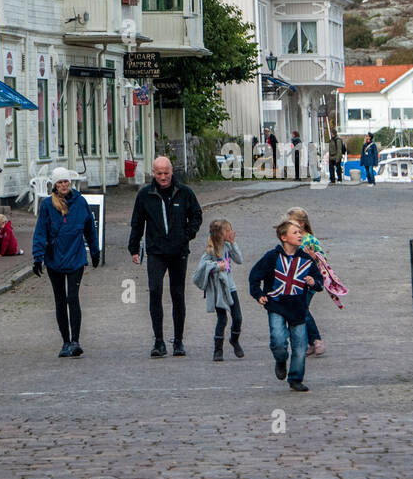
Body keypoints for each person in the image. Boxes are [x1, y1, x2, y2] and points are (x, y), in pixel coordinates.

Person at [128, 155, 203, 357]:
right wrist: (134, 248)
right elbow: (137, 222)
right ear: (154, 173)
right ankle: (159, 341)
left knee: (178, 294)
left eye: (166, 173)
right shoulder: (145, 194)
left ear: (172, 172)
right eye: (159, 173)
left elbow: (197, 215)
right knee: (154, 291)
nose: (163, 177)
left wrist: (186, 235)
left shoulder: (184, 192)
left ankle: (178, 341)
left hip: (178, 251)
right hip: (156, 251)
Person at [248, 218, 323, 392]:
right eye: (295, 232)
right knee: (278, 340)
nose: (299, 235)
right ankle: (281, 360)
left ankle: (296, 378)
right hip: (276, 304)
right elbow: (254, 276)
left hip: (298, 307)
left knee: (300, 346)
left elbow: (319, 281)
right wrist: (258, 294)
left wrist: (313, 282)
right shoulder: (272, 257)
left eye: (300, 232)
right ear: (283, 237)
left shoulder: (306, 259)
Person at [32, 168, 99, 357]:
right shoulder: (47, 205)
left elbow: (89, 229)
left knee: (72, 297)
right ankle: (65, 341)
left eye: (66, 182)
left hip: (75, 257)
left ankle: (76, 341)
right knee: (60, 300)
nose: (63, 185)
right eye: (60, 182)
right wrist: (38, 257)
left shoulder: (80, 202)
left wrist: (95, 252)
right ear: (54, 184)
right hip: (54, 258)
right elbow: (40, 232)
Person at [283, 205, 348, 352]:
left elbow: (323, 258)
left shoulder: (309, 240)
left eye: (291, 222)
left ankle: (316, 341)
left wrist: (314, 257)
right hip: (295, 280)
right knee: (301, 309)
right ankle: (310, 343)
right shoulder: (292, 238)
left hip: (310, 280)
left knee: (302, 309)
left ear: (301, 223)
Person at [192, 219, 244, 362]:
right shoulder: (210, 250)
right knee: (222, 319)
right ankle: (218, 349)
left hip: (231, 287)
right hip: (218, 290)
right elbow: (201, 268)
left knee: (238, 317)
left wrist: (234, 243)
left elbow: (239, 260)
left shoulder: (228, 246)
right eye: (227, 231)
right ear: (219, 234)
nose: (231, 233)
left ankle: (234, 339)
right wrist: (216, 266)